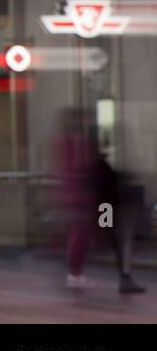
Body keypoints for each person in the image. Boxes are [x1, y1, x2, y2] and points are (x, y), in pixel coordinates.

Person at [56, 107, 145, 294]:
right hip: (105, 200)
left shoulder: (87, 152)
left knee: (112, 235)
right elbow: (99, 178)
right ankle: (123, 275)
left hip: (104, 199)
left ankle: (122, 273)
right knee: (114, 236)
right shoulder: (87, 153)